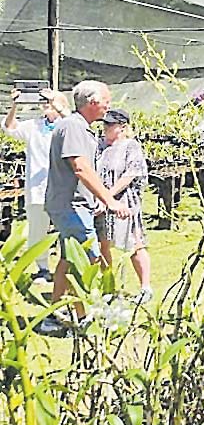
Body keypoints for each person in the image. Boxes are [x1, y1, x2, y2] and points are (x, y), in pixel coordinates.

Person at [37, 81, 130, 336]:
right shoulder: (73, 127)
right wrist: (110, 200)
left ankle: (53, 316)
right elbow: (80, 167)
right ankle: (83, 320)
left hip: (74, 205)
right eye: (106, 101)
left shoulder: (79, 127)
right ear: (92, 102)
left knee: (68, 260)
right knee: (87, 262)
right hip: (70, 207)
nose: (109, 106)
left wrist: (95, 197)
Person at [4, 87, 70, 282]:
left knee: (67, 229)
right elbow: (9, 128)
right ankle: (42, 268)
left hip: (63, 188)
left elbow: (75, 124)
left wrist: (57, 104)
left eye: (49, 102)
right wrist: (15, 105)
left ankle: (70, 266)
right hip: (37, 188)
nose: (45, 105)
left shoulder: (66, 125)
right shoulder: (34, 125)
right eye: (44, 102)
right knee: (37, 230)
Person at [95, 109, 151, 303]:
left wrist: (107, 196)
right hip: (101, 202)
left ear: (122, 127)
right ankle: (108, 287)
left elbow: (130, 175)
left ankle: (145, 287)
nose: (105, 128)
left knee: (134, 243)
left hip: (125, 201)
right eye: (104, 124)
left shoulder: (131, 146)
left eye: (110, 124)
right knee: (103, 243)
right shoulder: (99, 145)